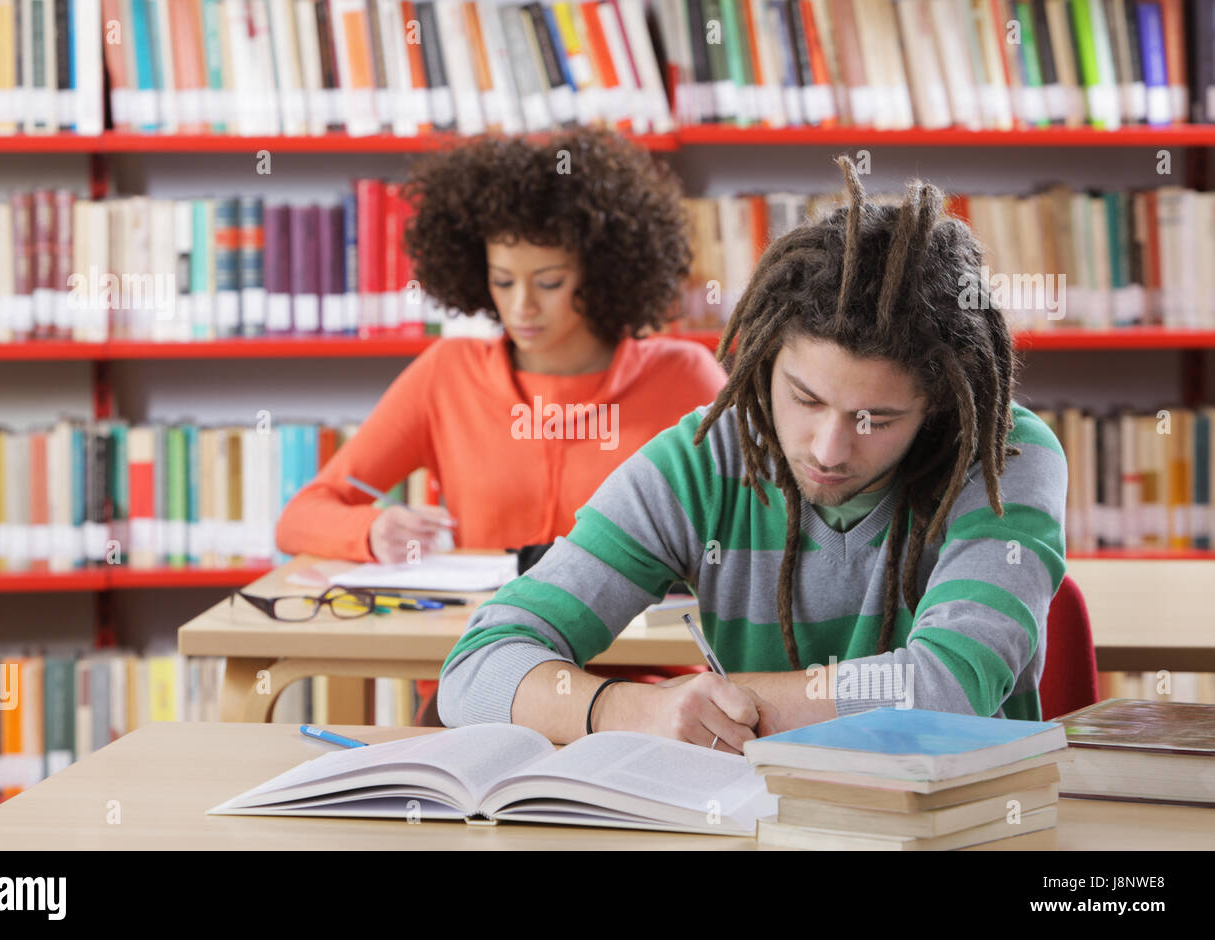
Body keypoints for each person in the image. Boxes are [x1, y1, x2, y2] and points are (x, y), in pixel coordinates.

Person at [437, 155, 1069, 752]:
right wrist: (629, 709)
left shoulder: (1004, 456)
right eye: (805, 398)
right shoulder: (702, 461)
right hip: (753, 816)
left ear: (938, 404)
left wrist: (719, 705)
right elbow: (476, 668)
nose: (828, 449)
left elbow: (945, 692)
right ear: (764, 361)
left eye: (875, 419)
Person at [274, 127, 728, 722]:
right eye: (503, 280)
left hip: (650, 689)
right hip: (495, 687)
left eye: (549, 282)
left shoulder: (683, 376)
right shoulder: (446, 374)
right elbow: (300, 516)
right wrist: (373, 528)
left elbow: (760, 524)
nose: (521, 308)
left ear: (603, 272)